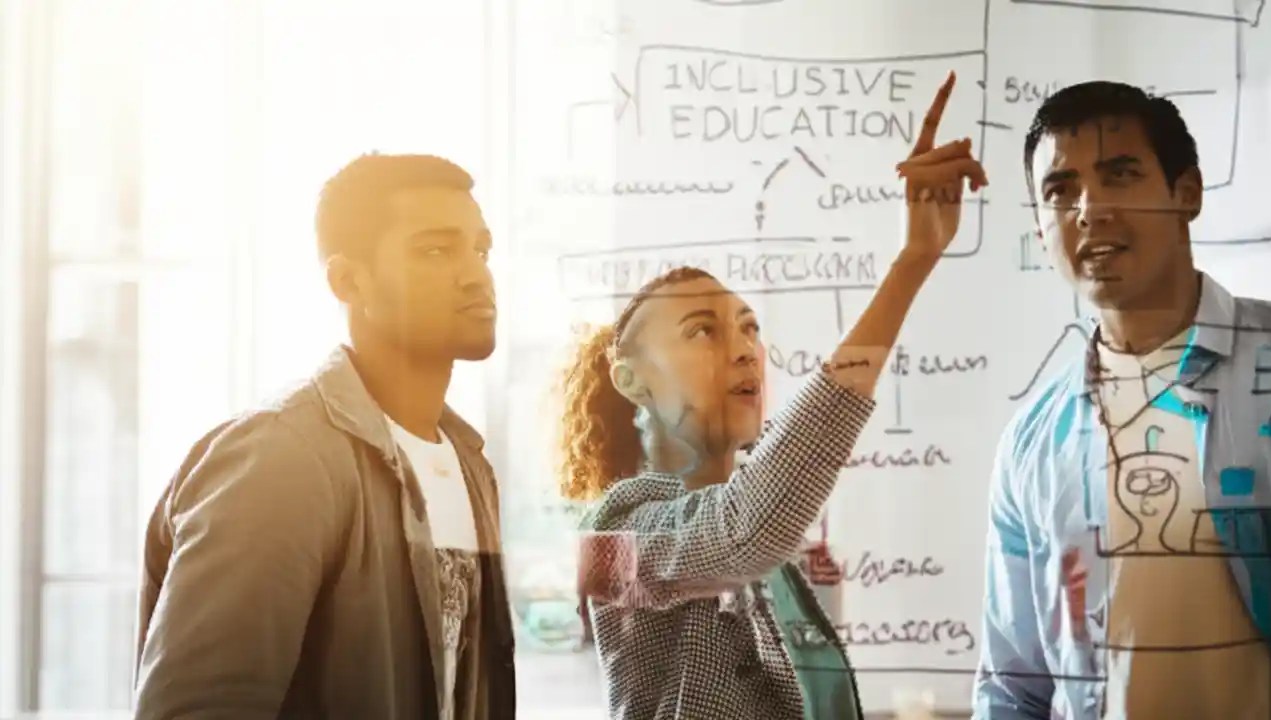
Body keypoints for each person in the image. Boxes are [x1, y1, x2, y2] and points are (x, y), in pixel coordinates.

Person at [560, 72, 988, 720]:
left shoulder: (781, 561)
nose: (741, 348)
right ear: (630, 380)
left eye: (748, 327)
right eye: (701, 330)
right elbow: (739, 534)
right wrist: (910, 264)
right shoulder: (610, 535)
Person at [133, 153, 515, 719]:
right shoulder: (280, 459)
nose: (475, 273)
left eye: (479, 250)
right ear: (348, 280)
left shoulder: (467, 462)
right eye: (435, 250)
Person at [974, 81, 1271, 719]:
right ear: (1039, 224)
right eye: (1060, 190)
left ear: (1185, 194)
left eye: (1121, 175)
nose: (1090, 209)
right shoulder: (1034, 440)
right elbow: (1012, 688)